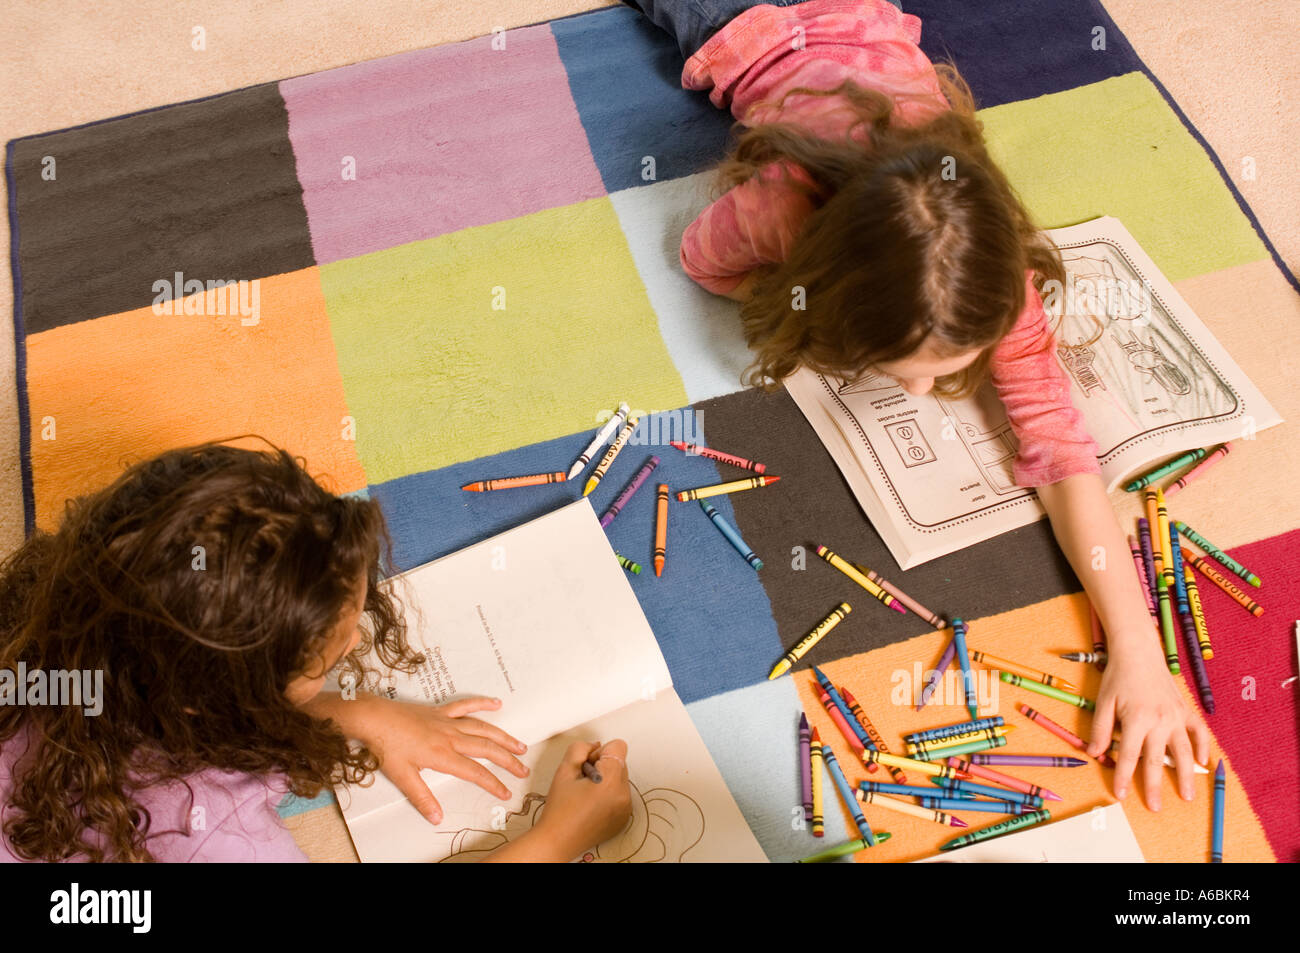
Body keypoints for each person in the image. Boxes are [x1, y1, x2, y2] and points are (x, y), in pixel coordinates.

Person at [623, 0, 1209, 808]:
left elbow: (1062, 449)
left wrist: (1140, 650)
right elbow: (704, 262)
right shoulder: (780, 208)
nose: (929, 394)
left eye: (947, 369)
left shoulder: (983, 268)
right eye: (900, 368)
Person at [0, 442, 630, 861]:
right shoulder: (216, 840)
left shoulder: (49, 615)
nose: (357, 641)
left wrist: (357, 712)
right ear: (223, 705)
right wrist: (556, 839)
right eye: (326, 661)